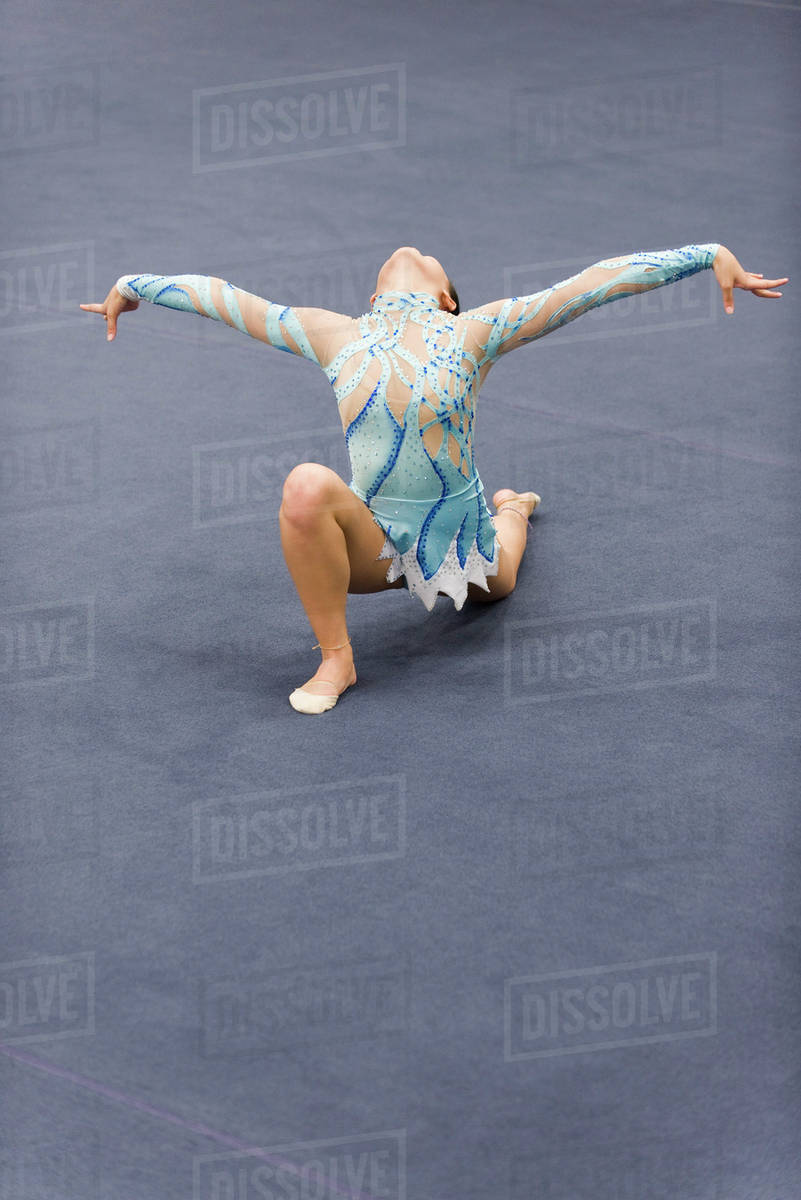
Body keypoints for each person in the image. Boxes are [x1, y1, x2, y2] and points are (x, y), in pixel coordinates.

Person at [81, 243, 788, 713]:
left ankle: (512, 509)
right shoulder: (334, 332)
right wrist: (131, 285)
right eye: (400, 257)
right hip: (377, 544)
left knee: (501, 576)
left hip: (464, 542)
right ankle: (337, 660)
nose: (410, 251)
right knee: (303, 485)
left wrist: (706, 256)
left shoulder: (476, 331)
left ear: (448, 298)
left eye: (428, 259)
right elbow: (225, 299)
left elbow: (587, 287)